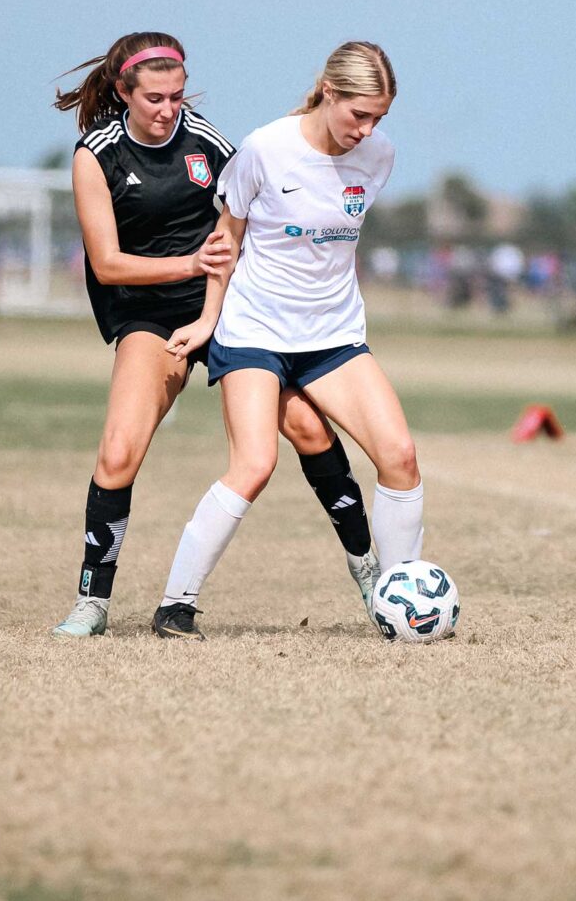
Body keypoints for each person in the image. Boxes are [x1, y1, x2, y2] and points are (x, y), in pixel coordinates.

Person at [50, 31, 380, 639]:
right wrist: (191, 265)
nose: (168, 109)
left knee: (308, 427)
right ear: (123, 91)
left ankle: (371, 576)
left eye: (176, 96)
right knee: (120, 448)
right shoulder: (96, 156)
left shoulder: (208, 143)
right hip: (149, 316)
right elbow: (108, 265)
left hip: (229, 305)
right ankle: (92, 602)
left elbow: (255, 205)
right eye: (153, 98)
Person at [152, 41, 422, 640]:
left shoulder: (379, 157)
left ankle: (401, 600)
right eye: (359, 114)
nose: (367, 129)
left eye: (379, 118)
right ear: (328, 92)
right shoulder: (264, 150)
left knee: (399, 457)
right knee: (255, 463)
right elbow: (225, 245)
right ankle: (175, 605)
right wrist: (205, 321)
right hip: (253, 332)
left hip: (333, 336)